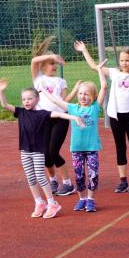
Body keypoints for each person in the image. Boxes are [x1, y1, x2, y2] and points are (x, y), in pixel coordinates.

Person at [73, 33, 129, 194]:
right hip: (116, 116)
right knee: (120, 147)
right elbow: (94, 67)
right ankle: (123, 180)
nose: (124, 63)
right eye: (122, 60)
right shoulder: (114, 73)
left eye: (128, 60)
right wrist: (84, 51)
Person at [0, 78, 86, 218]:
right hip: (25, 151)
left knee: (40, 176)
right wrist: (1, 91)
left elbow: (58, 114)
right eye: (24, 99)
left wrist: (74, 118)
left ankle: (52, 203)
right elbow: (4, 105)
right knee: (30, 178)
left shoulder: (43, 113)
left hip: (38, 151)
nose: (26, 101)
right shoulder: (20, 112)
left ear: (37, 99)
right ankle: (39, 202)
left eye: (30, 99)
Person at [30, 36, 76, 196]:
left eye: (55, 63)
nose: (54, 65)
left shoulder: (60, 81)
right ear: (43, 66)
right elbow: (34, 61)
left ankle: (68, 183)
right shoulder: (38, 79)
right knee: (45, 153)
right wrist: (50, 55)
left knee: (53, 151)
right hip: (43, 119)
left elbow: (64, 101)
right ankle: (53, 180)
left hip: (60, 119)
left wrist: (75, 90)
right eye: (51, 63)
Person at [65, 77, 107, 213]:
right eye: (80, 93)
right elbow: (57, 101)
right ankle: (81, 199)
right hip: (76, 149)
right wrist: (43, 91)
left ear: (93, 96)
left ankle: (90, 200)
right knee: (79, 176)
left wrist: (100, 70)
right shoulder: (72, 108)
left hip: (91, 149)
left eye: (86, 94)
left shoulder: (94, 108)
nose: (83, 97)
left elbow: (104, 87)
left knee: (93, 175)